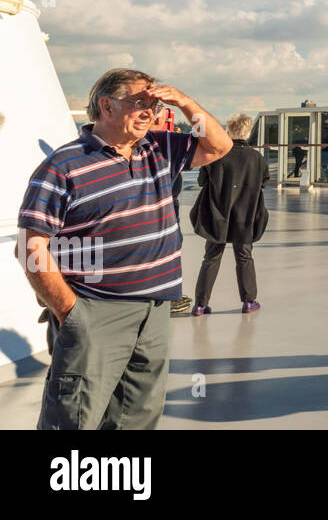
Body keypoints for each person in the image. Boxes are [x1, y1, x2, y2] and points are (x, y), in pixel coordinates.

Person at [15, 68, 231, 430]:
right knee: (74, 416)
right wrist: (70, 311)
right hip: (96, 311)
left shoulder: (160, 149)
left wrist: (183, 101)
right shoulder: (64, 166)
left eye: (154, 103)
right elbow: (31, 246)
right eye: (138, 102)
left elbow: (218, 146)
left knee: (137, 415)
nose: (149, 111)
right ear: (107, 105)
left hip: (156, 312)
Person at [190, 113, 270, 314]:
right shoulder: (257, 158)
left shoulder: (217, 155)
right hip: (245, 215)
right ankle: (249, 300)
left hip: (218, 214)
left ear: (228, 131)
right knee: (244, 256)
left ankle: (200, 303)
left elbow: (202, 181)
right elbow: (264, 182)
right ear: (248, 131)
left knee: (211, 257)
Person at [151, 110, 194, 315]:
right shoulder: (158, 146)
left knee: (173, 246)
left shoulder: (166, 144)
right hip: (164, 206)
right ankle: (166, 297)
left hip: (171, 204)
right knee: (167, 247)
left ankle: (169, 294)